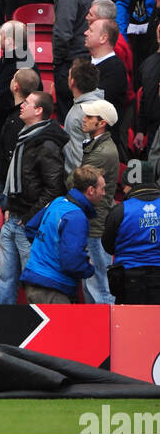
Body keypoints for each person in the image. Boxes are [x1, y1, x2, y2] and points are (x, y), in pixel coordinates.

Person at [0, 89, 67, 304]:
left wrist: (29, 219)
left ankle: (37, 328)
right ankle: (1, 324)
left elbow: (54, 189)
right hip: (14, 218)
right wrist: (10, 205)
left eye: (27, 102)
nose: (21, 105)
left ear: (38, 110)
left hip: (29, 225)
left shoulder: (46, 144)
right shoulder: (26, 136)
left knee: (34, 283)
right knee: (5, 278)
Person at [21, 164, 105, 304]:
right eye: (102, 189)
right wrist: (89, 268)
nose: (104, 193)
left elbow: (30, 228)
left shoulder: (58, 202)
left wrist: (49, 249)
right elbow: (72, 262)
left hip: (36, 281)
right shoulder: (76, 217)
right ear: (91, 190)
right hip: (53, 289)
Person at [77, 97, 119, 304]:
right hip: (93, 223)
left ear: (102, 123)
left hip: (95, 227)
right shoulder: (97, 146)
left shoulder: (102, 152)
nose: (83, 119)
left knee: (100, 287)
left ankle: (108, 333)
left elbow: (74, 181)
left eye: (89, 116)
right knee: (91, 284)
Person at [101, 168, 160, 304]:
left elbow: (108, 245)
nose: (124, 190)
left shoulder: (120, 211)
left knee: (129, 323)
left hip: (129, 278)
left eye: (125, 185)